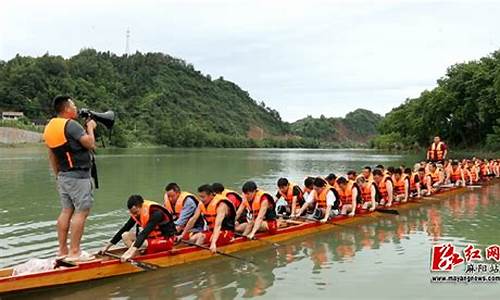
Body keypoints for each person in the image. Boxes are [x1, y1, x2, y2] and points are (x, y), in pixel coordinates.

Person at [43, 95, 97, 261]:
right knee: (82, 212)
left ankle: (62, 251)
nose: (76, 108)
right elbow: (90, 144)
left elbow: (52, 155)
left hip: (63, 176)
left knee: (66, 210)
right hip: (79, 176)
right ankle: (75, 252)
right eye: (73, 106)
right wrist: (90, 128)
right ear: (66, 109)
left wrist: (57, 176)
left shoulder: (50, 126)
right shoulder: (71, 125)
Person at [100, 195, 176, 262]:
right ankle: (136, 256)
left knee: (137, 243)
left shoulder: (156, 213)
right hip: (151, 239)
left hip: (165, 240)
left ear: (141, 206)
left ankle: (131, 255)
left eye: (136, 212)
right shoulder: (136, 213)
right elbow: (125, 228)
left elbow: (144, 233)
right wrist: (107, 246)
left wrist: (129, 251)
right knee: (125, 235)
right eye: (133, 213)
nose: (135, 215)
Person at [179, 185, 236, 253]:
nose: (201, 199)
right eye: (200, 197)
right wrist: (182, 235)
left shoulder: (221, 205)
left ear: (211, 195)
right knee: (192, 237)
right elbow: (193, 219)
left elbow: (218, 225)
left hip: (226, 232)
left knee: (201, 237)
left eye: (203, 197)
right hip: (211, 231)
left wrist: (213, 243)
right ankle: (187, 250)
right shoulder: (201, 204)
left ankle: (193, 255)